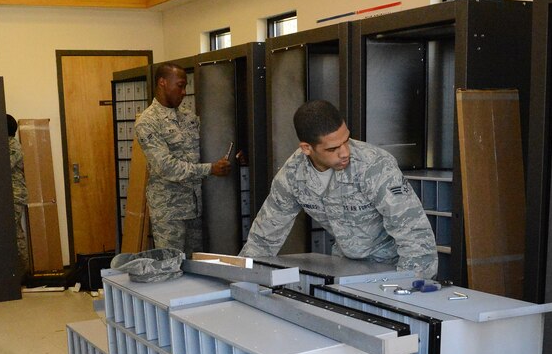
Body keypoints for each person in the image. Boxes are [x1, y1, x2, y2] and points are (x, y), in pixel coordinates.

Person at [240, 100, 438, 277]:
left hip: (394, 267)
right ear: (307, 148)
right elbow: (264, 238)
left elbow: (415, 235)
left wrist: (408, 290)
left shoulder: (375, 166)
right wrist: (238, 279)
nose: (345, 153)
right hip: (345, 266)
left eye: (346, 141)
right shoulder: (292, 176)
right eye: (333, 149)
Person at [134, 62, 231, 254]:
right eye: (180, 85)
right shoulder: (147, 122)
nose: (184, 91)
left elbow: (208, 146)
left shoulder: (189, 118)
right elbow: (166, 167)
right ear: (162, 82)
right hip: (169, 213)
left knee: (196, 266)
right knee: (171, 266)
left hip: (195, 208)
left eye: (185, 86)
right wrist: (210, 169)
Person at [6, 113, 28, 274]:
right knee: (16, 231)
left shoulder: (13, 145)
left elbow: (5, 165)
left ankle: (21, 271)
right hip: (12, 193)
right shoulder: (8, 144)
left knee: (13, 231)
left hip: (15, 194)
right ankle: (21, 271)